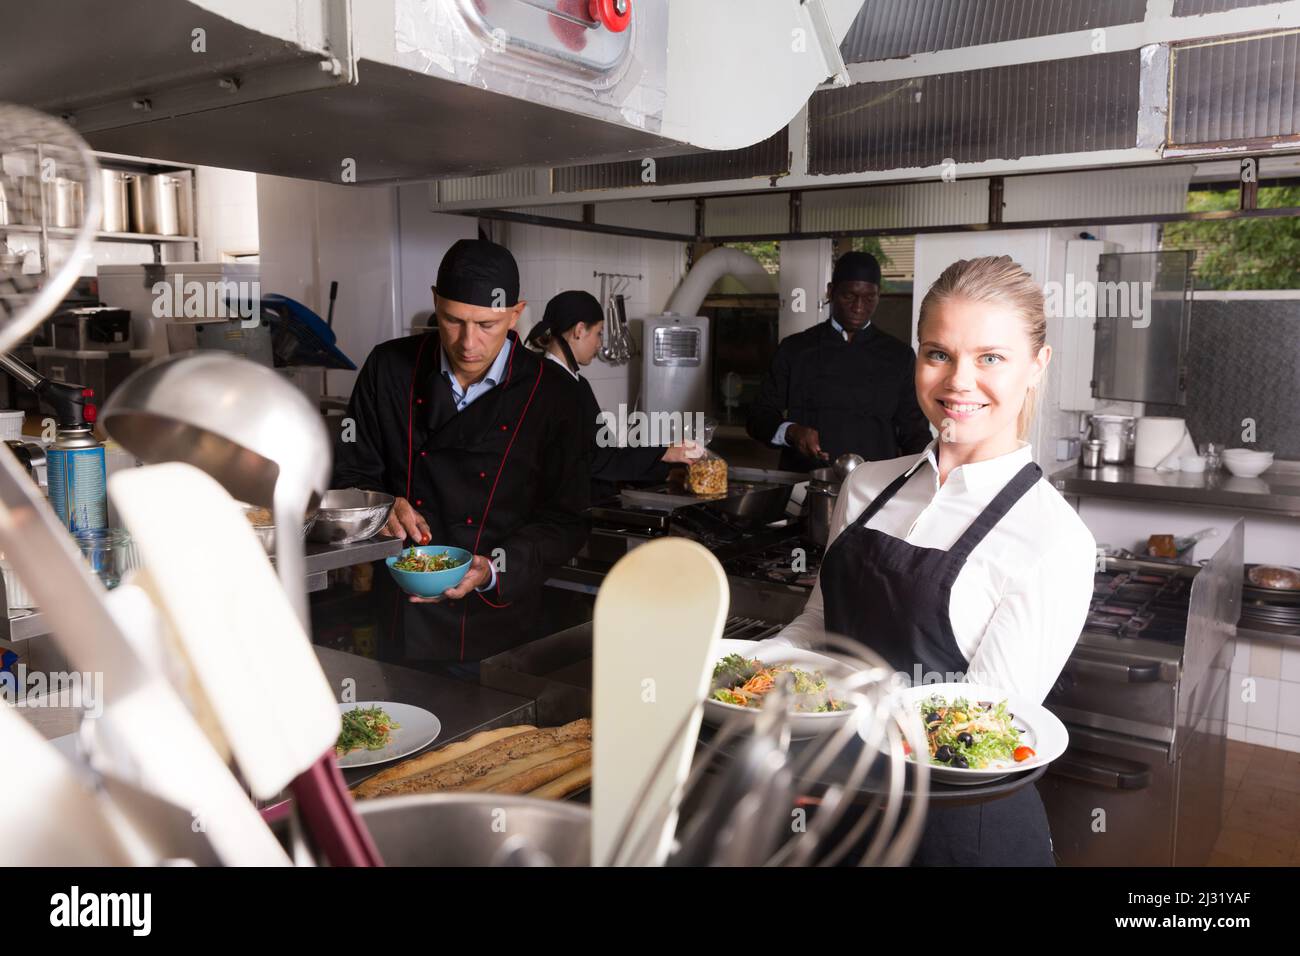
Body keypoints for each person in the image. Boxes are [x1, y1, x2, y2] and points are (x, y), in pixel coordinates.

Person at [778, 255, 1096, 866]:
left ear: (1037, 365)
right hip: (835, 807)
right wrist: (746, 681)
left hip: (955, 830)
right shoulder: (866, 487)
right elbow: (818, 630)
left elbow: (973, 728)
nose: (958, 382)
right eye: (938, 354)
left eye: (991, 358)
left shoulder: (1051, 537)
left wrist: (824, 734)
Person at [332, 239, 589, 672]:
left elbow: (567, 520)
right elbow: (350, 473)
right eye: (452, 320)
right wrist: (379, 504)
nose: (468, 342)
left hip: (502, 626)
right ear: (435, 301)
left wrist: (493, 569)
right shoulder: (388, 368)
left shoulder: (555, 393)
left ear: (516, 312)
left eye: (486, 325)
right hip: (404, 618)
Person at [747, 251, 932, 471]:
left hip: (874, 487)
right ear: (831, 291)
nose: (859, 307)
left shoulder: (899, 356)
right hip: (804, 481)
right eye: (849, 296)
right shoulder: (796, 349)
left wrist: (926, 475)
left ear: (878, 295)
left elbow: (915, 432)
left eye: (869, 298)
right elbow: (758, 417)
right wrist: (792, 432)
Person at [524, 290, 702, 500]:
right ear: (579, 330)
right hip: (562, 511)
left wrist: (664, 469)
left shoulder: (556, 379)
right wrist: (665, 453)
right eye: (599, 333)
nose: (599, 344)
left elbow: (603, 454)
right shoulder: (559, 386)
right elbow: (598, 460)